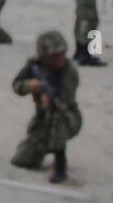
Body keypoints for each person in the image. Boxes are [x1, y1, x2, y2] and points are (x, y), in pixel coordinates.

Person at [10, 30, 81, 183]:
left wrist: (49, 100)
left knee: (58, 119)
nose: (60, 59)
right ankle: (36, 146)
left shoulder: (69, 71)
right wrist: (29, 86)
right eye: (55, 56)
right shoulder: (34, 66)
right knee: (22, 160)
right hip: (42, 118)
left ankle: (60, 164)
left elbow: (66, 100)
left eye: (62, 54)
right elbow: (16, 85)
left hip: (67, 116)